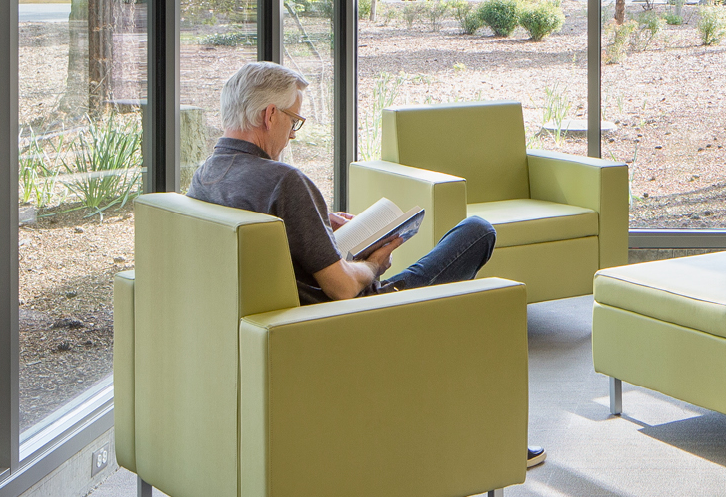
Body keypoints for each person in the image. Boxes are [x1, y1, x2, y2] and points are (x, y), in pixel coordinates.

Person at [187, 62, 540, 465]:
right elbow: (341, 287)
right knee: (477, 233)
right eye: (293, 121)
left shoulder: (204, 178)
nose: (290, 136)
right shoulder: (284, 181)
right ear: (269, 116)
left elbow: (271, 239)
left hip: (281, 328)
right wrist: (375, 262)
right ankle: (498, 438)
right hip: (352, 322)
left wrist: (320, 222)